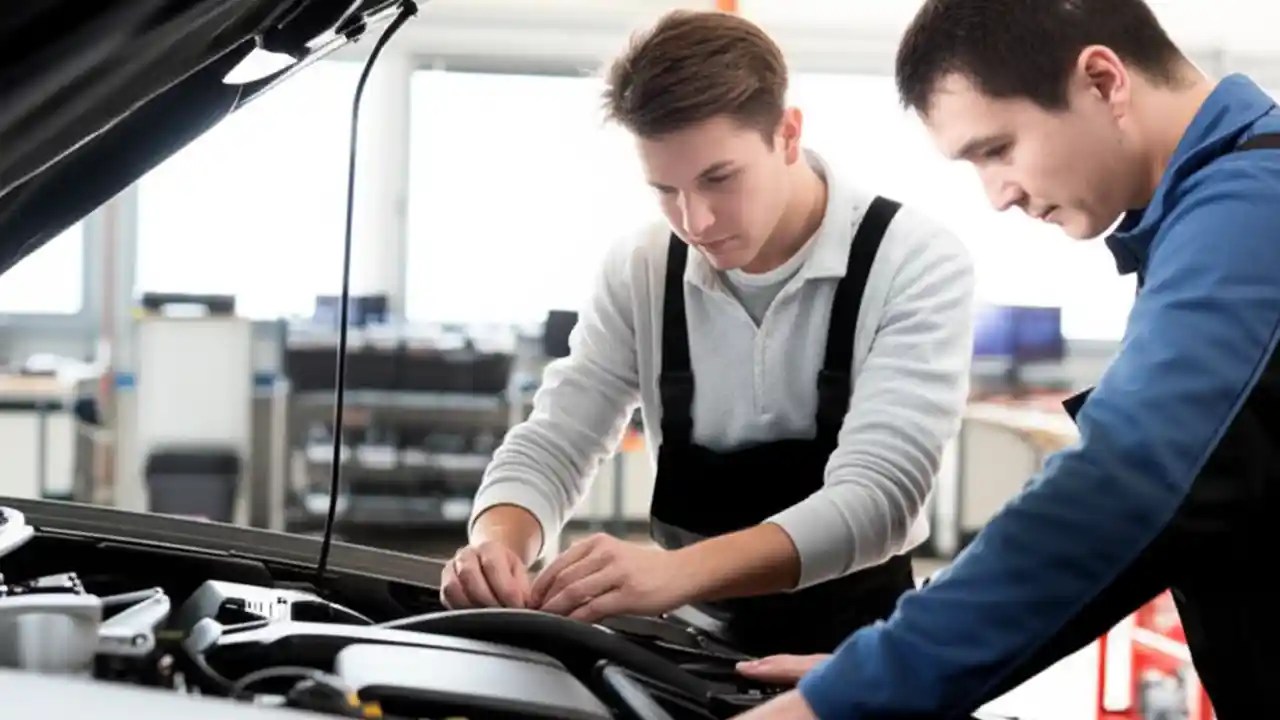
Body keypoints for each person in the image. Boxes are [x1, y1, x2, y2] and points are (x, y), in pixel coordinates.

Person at [735, 0, 1280, 717]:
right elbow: (1152, 522)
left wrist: (850, 696)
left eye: (997, 149)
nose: (998, 195)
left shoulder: (1252, 209)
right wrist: (893, 657)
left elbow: (1122, 491)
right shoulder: (1215, 204)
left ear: (1103, 80)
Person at [438, 8, 975, 657]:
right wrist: (498, 541)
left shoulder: (914, 261)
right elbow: (556, 439)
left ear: (787, 134)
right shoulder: (642, 266)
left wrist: (670, 573)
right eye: (665, 189)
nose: (694, 219)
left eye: (719, 178)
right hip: (685, 643)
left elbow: (879, 499)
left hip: (852, 655)